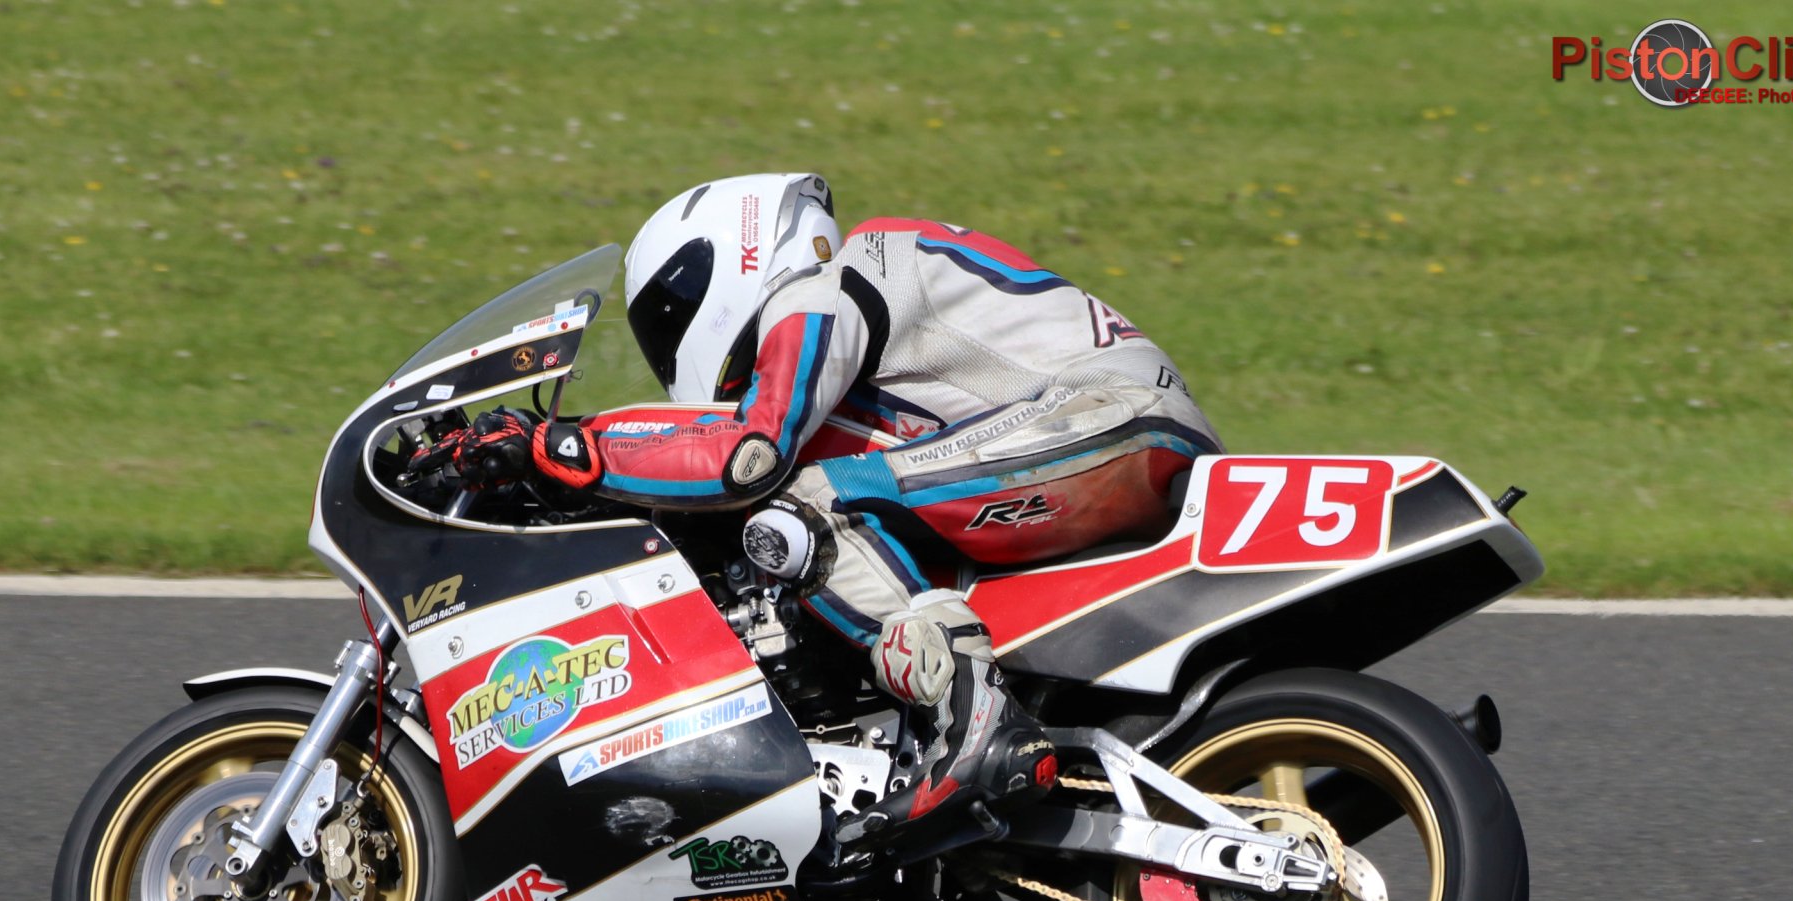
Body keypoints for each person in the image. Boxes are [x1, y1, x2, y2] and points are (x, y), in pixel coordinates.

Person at [444, 172, 1220, 849]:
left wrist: (566, 447)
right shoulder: (867, 325)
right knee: (830, 501)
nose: (670, 339)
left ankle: (971, 720)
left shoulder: (831, 286)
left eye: (671, 313)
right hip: (1094, 426)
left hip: (1105, 418)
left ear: (730, 259)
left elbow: (749, 452)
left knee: (807, 509)